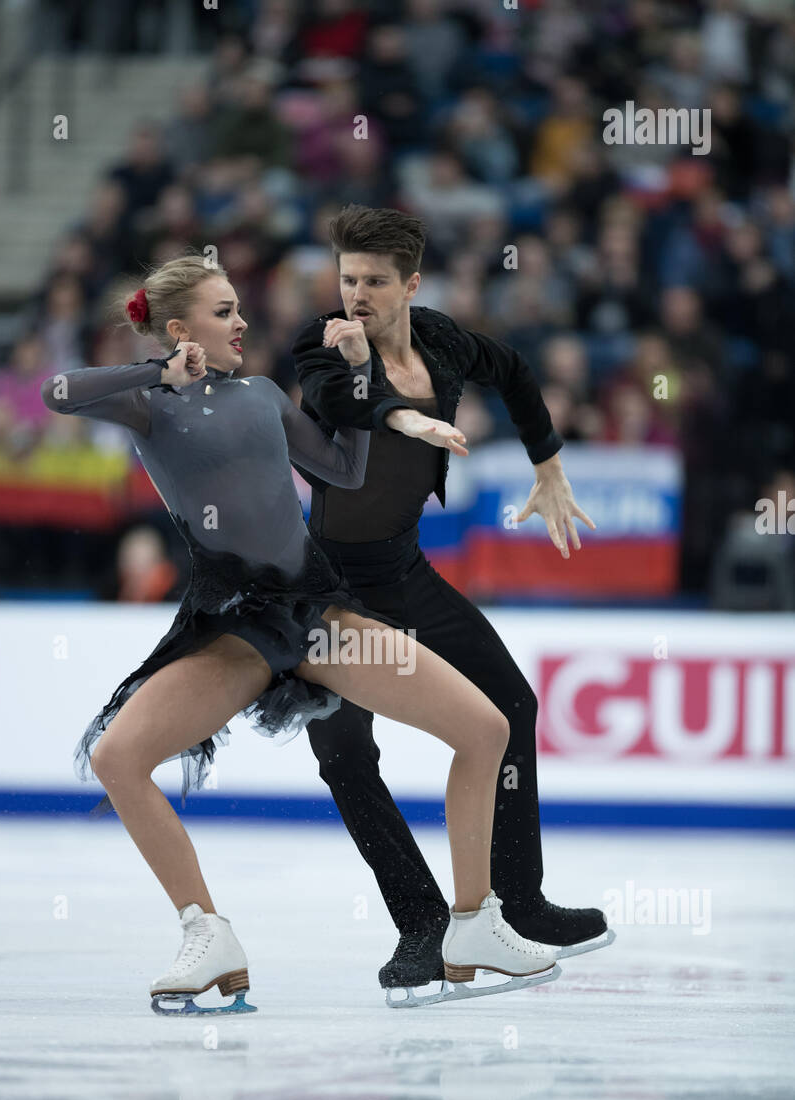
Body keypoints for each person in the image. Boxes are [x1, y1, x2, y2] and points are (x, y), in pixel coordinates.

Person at [40, 254, 560, 1013]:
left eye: (238, 308)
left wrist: (360, 382)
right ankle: (206, 932)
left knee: (484, 727)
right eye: (224, 312)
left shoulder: (260, 395)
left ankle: (473, 923)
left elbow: (343, 470)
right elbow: (57, 393)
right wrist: (157, 375)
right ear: (181, 328)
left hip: (317, 616)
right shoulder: (150, 406)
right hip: (236, 627)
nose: (242, 322)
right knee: (120, 756)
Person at [291, 204, 614, 992]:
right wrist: (393, 403)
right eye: (346, 280)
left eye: (373, 281)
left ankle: (519, 903)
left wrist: (548, 466)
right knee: (344, 757)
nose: (356, 295)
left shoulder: (444, 341)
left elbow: (516, 373)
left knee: (515, 707)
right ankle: (423, 924)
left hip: (403, 573)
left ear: (412, 283)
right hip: (329, 590)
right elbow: (333, 404)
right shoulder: (326, 345)